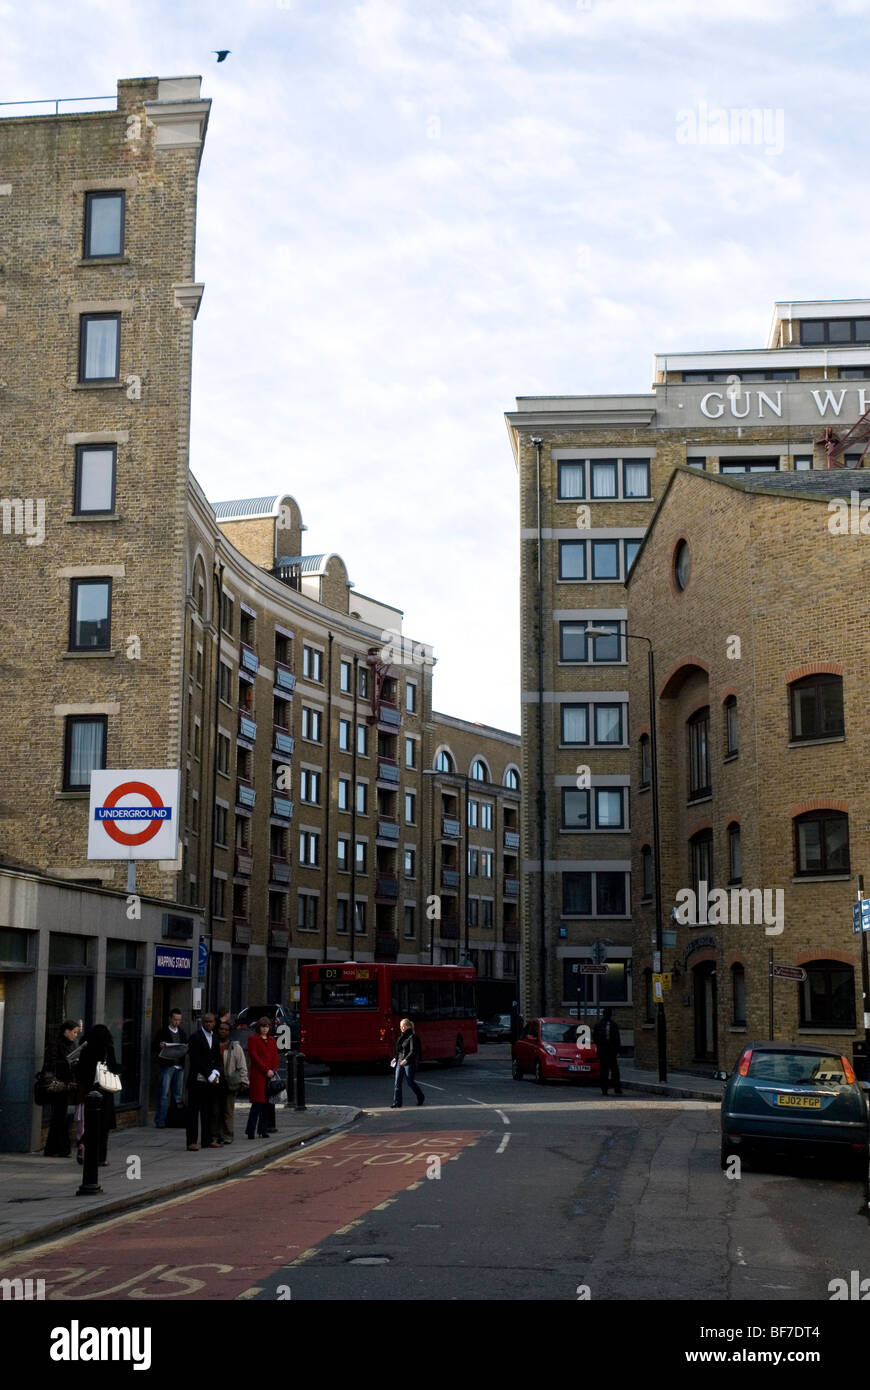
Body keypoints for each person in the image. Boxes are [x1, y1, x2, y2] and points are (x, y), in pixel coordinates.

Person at [75, 1024, 119, 1166]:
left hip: (89, 1091)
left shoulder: (86, 1049)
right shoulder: (107, 1049)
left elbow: (80, 1071)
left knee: (91, 1123)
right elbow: (113, 1067)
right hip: (104, 1090)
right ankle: (101, 1157)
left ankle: (83, 1144)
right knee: (103, 1126)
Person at [42, 1019, 81, 1157]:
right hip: (57, 1084)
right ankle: (61, 1148)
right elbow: (50, 1063)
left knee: (60, 1116)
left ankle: (53, 1149)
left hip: (67, 1084)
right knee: (59, 1116)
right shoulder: (56, 1045)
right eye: (74, 1032)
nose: (75, 1035)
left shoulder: (72, 1045)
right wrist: (67, 1062)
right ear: (66, 1031)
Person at [186, 1013, 222, 1150]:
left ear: (214, 1023)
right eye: (206, 1021)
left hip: (210, 1081)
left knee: (208, 1111)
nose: (208, 1024)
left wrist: (216, 1072)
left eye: (211, 1022)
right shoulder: (195, 1037)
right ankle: (191, 1142)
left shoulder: (215, 1038)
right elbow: (195, 1060)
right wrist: (209, 1074)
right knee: (193, 1112)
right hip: (197, 1080)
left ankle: (207, 1140)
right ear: (202, 1022)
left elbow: (218, 1059)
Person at [153, 1008, 187, 1127]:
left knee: (177, 1095)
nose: (176, 1022)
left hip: (179, 1067)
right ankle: (160, 1120)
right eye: (175, 1019)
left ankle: (175, 1119)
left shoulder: (182, 1033)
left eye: (179, 1020)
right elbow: (155, 1046)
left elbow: (185, 1047)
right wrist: (161, 1045)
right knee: (164, 1093)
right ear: (170, 1019)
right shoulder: (162, 1032)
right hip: (167, 1066)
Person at [246, 1016, 279, 1139]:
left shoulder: (272, 1040)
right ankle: (251, 1130)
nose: (265, 1029)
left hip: (270, 1076)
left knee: (267, 1104)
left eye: (267, 1026)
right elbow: (254, 1057)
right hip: (258, 1075)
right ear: (258, 1028)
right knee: (257, 1104)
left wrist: (273, 1070)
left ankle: (263, 1130)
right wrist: (266, 1070)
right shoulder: (253, 1039)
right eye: (262, 1026)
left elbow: (275, 1056)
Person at [215, 1020, 248, 1144]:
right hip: (216, 1082)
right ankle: (217, 1135)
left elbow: (242, 1065)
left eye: (225, 1029)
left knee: (228, 1111)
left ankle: (228, 1135)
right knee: (216, 1110)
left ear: (229, 1032)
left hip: (229, 1083)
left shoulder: (235, 1047)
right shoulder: (213, 1045)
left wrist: (244, 1081)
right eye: (221, 1029)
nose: (222, 1031)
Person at [390, 1017, 424, 1108]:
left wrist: (406, 1060)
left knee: (410, 1082)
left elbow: (413, 1051)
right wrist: (395, 1058)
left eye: (401, 1026)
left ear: (405, 1026)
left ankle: (420, 1096)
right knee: (397, 1083)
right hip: (400, 1062)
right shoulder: (401, 1037)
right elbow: (399, 1051)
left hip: (409, 1063)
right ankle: (397, 1103)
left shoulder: (412, 1037)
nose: (400, 1028)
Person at [592, 1007, 623, 1096]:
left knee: (604, 1070)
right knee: (614, 1070)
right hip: (611, 1051)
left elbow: (595, 1037)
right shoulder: (613, 1024)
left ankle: (604, 1089)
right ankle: (616, 1088)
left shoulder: (598, 1024)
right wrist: (618, 1050)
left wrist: (599, 1046)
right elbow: (617, 1039)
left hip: (603, 1051)